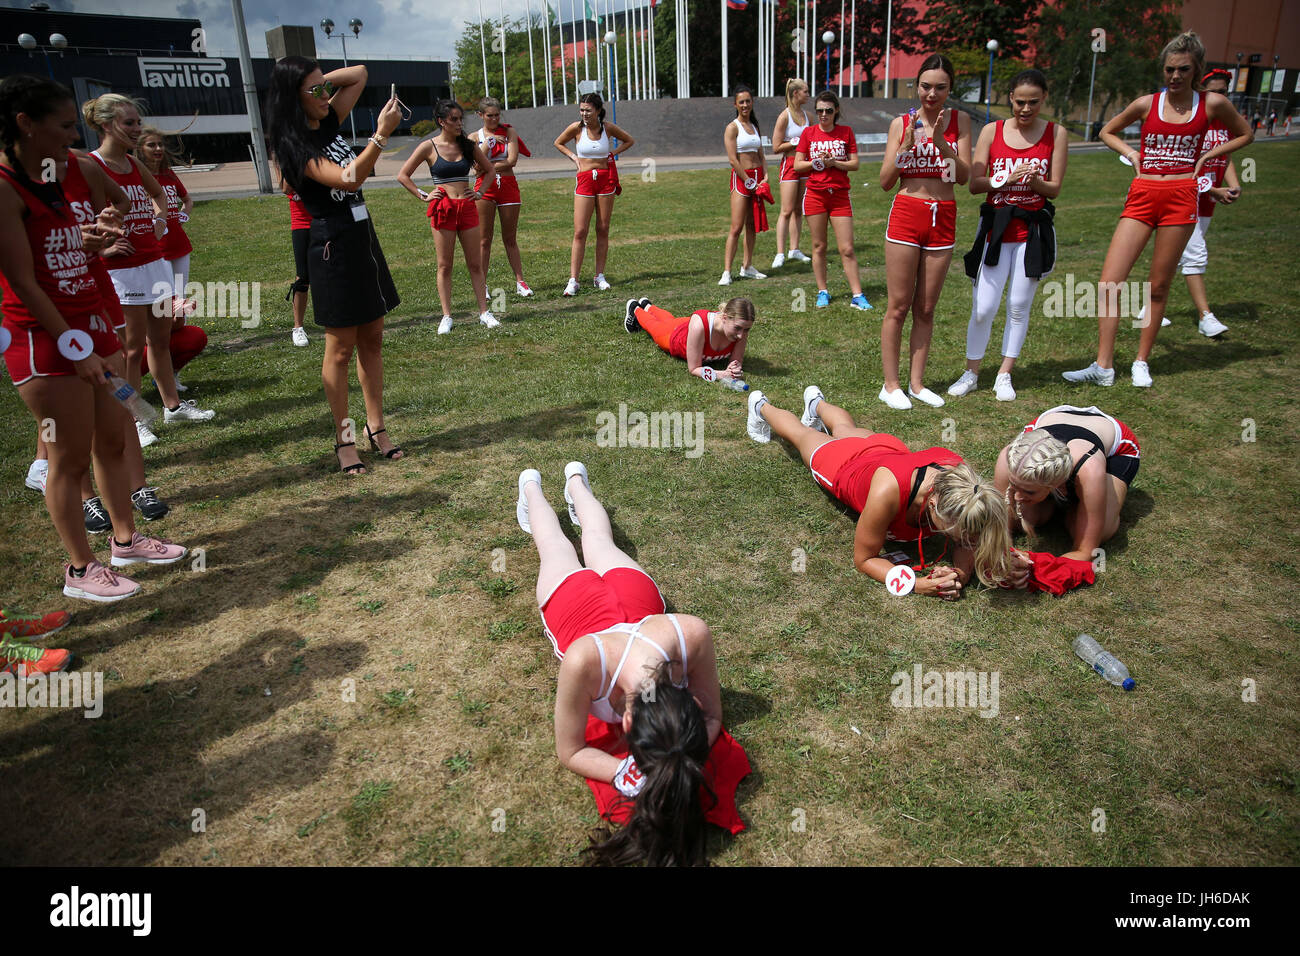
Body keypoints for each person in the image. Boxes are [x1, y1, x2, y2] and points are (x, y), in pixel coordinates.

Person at [0, 74, 187, 601]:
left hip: (91, 320)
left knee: (114, 434)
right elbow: (22, 279)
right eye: (62, 127)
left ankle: (125, 541)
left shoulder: (77, 168)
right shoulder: (7, 186)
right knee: (68, 456)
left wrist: (100, 234)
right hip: (42, 338)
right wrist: (73, 348)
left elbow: (120, 207)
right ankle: (81, 569)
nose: (70, 137)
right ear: (24, 124)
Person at [515, 463, 749, 865]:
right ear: (624, 725)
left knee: (581, 542)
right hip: (582, 610)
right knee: (559, 545)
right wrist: (628, 771)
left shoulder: (690, 632)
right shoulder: (582, 660)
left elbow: (710, 717)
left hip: (632, 602)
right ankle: (535, 489)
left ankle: (562, 482)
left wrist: (661, 765)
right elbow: (569, 751)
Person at [1063, 32, 1252, 388]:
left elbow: (1245, 134)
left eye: (1183, 69)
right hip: (1144, 191)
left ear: (1196, 70)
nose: (1175, 76)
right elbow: (1107, 131)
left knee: (1159, 286)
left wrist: (1209, 157)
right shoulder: (1147, 103)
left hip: (1182, 194)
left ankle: (1140, 362)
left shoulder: (1210, 103)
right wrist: (1133, 154)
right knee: (1109, 283)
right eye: (1169, 69)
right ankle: (1103, 366)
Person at [744, 385, 1022, 597]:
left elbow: (967, 543)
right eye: (958, 532)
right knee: (801, 434)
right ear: (934, 504)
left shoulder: (964, 485)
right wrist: (915, 584)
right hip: (845, 465)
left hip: (890, 453)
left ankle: (816, 403)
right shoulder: (887, 494)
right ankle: (760, 406)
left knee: (844, 427)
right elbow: (864, 558)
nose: (966, 540)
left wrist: (960, 572)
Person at [266, 56, 405, 475]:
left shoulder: (325, 121)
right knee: (340, 348)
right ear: (293, 99)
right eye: (314, 92)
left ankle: (375, 427)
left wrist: (314, 83)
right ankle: (344, 438)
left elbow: (361, 73)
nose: (326, 96)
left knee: (374, 337)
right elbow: (348, 178)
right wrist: (380, 136)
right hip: (331, 245)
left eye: (325, 88)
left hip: (362, 238)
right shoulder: (293, 146)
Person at [83, 93, 214, 434]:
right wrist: (102, 248)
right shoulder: (91, 165)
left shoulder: (132, 162)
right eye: (129, 123)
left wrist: (159, 219)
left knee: (158, 340)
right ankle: (134, 418)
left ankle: (172, 406)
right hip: (122, 272)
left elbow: (158, 194)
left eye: (137, 122)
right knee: (130, 350)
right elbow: (81, 217)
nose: (136, 129)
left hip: (154, 263)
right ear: (105, 125)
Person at [949, 69, 1068, 402]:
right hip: (998, 230)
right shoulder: (992, 130)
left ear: (1044, 99)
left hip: (1032, 231)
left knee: (1018, 305)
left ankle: (1004, 373)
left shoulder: (1056, 134)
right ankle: (971, 372)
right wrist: (1006, 178)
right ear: (1010, 99)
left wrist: (1035, 185)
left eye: (1033, 102)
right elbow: (975, 184)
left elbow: (1054, 188)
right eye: (1019, 102)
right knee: (983, 307)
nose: (1026, 109)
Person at [878, 54, 972, 410]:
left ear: (950, 89)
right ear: (916, 86)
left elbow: (962, 178)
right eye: (926, 86)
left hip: (943, 217)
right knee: (898, 305)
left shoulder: (960, 121)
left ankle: (917, 384)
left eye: (940, 87)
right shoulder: (901, 123)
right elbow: (886, 182)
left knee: (927, 307)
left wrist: (944, 145)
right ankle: (891, 385)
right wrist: (904, 149)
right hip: (907, 213)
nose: (932, 94)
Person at [1140, 69, 1241, 337]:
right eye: (1215, 91)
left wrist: (1232, 184)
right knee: (1195, 256)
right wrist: (1213, 189)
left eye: (1224, 92)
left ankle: (1147, 309)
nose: (1220, 97)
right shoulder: (1194, 121)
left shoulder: (1222, 123)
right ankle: (1205, 316)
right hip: (1184, 198)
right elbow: (1183, 165)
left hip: (1208, 202)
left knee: (1173, 258)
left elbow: (1225, 157)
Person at [397, 99, 498, 335]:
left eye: (460, 119)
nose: (458, 123)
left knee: (475, 263)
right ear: (441, 121)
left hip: (467, 207)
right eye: (453, 119)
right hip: (443, 209)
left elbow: (490, 169)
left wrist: (481, 192)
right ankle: (446, 316)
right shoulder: (428, 146)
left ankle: (484, 312)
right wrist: (423, 195)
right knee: (445, 265)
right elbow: (403, 175)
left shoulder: (468, 145)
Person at [995, 405, 1140, 563]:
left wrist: (1034, 564)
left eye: (1029, 492)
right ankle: (1066, 503)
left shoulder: (1090, 469)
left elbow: (1085, 552)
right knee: (1022, 519)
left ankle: (1080, 504)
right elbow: (999, 532)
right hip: (1055, 420)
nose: (1017, 496)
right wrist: (1005, 559)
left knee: (1100, 531)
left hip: (1116, 447)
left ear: (1057, 484)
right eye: (1014, 486)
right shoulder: (1009, 458)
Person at [793, 91, 870, 313]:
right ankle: (822, 291)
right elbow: (798, 165)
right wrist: (816, 162)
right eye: (819, 111)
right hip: (816, 195)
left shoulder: (845, 132)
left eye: (828, 110)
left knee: (846, 248)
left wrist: (834, 162)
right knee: (819, 246)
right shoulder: (809, 133)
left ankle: (857, 295)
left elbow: (854, 164)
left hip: (839, 196)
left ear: (836, 110)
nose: (824, 115)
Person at [553, 93, 634, 295]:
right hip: (585, 181)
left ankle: (599, 276)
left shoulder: (607, 128)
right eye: (581, 110)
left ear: (598, 110)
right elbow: (559, 142)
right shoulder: (577, 128)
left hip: (606, 180)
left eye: (588, 110)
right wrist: (574, 157)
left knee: (603, 228)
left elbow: (628, 140)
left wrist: (612, 155)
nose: (584, 114)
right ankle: (573, 280)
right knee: (580, 231)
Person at [472, 96, 533, 298]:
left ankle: (520, 281)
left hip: (507, 185)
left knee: (510, 238)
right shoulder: (475, 137)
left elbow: (512, 160)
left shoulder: (509, 132)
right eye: (489, 116)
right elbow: (475, 167)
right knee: (484, 239)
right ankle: (483, 284)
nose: (494, 119)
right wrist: (487, 145)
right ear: (481, 115)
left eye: (497, 115)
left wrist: (487, 167)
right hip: (485, 188)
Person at [622, 294, 752, 383]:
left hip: (689, 326)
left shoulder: (740, 328)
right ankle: (635, 308)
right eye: (738, 328)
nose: (741, 335)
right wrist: (721, 374)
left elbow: (736, 359)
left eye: (746, 329)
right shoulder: (701, 326)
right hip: (675, 336)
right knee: (654, 327)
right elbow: (694, 368)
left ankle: (648, 306)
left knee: (669, 320)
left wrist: (734, 368)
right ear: (724, 318)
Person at [719, 85, 770, 286]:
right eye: (741, 101)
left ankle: (747, 266)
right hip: (742, 178)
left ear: (752, 102)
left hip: (757, 177)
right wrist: (747, 180)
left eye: (748, 101)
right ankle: (726, 271)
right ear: (735, 104)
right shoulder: (732, 127)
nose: (745, 105)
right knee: (736, 226)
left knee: (752, 224)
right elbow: (733, 159)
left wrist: (765, 176)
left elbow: (761, 155)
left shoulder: (754, 126)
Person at [770, 78, 812, 269]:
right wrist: (795, 142)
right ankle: (780, 252)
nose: (808, 94)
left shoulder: (806, 115)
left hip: (804, 163)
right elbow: (776, 146)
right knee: (786, 210)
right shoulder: (784, 116)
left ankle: (794, 249)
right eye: (805, 91)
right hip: (790, 164)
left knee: (798, 209)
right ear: (796, 93)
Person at [283, 175, 312, 346]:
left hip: (324, 216)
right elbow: (286, 188)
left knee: (332, 271)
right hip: (301, 222)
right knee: (303, 276)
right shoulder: (290, 155)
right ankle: (298, 328)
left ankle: (336, 319)